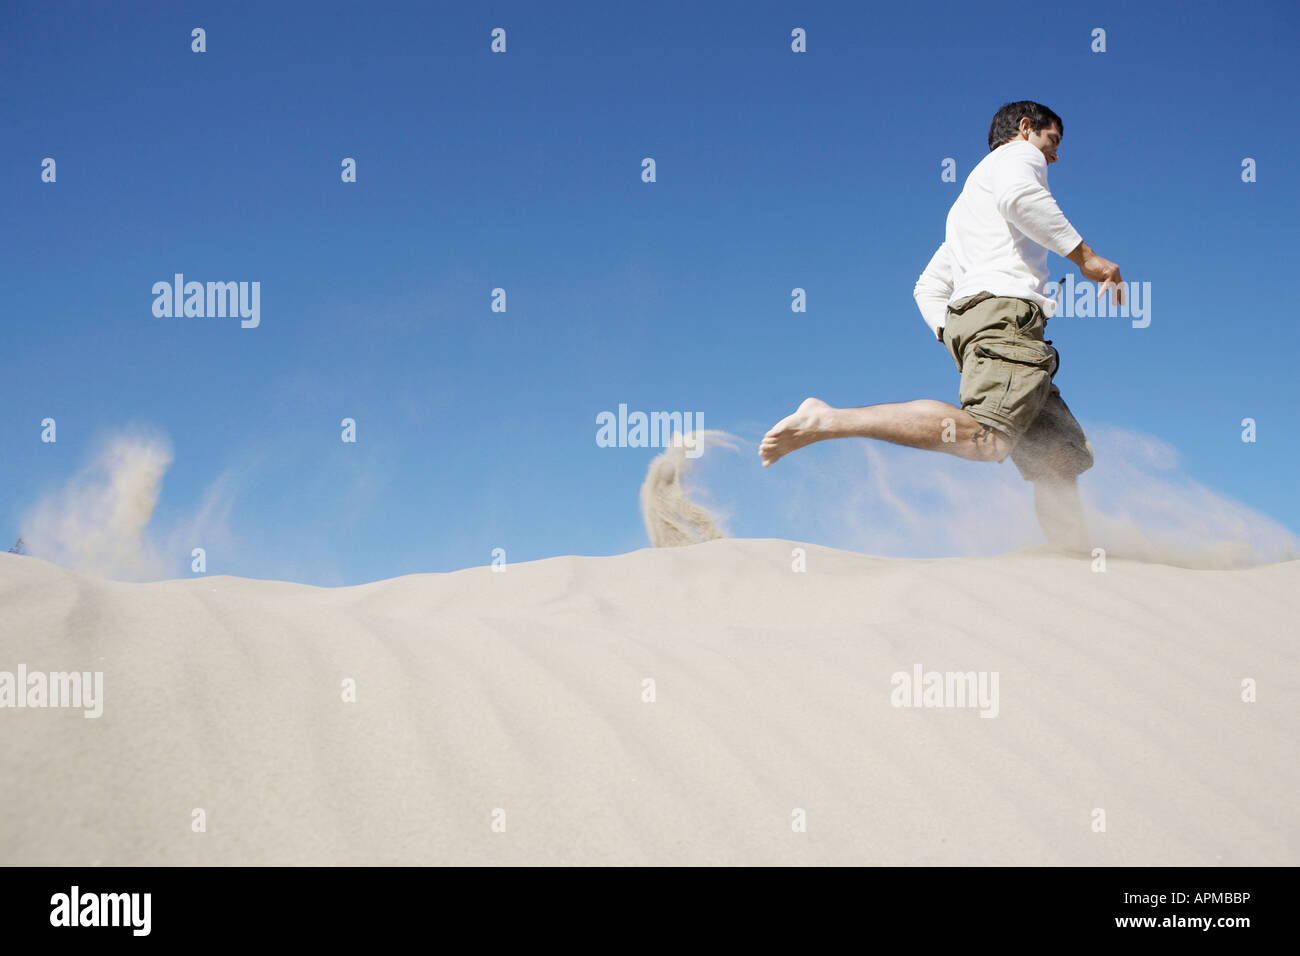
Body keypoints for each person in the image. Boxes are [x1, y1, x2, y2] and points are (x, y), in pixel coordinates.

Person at [758, 101, 1124, 551]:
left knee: (1059, 458)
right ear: (1026, 128)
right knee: (987, 439)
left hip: (997, 329)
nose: (1054, 156)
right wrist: (1087, 259)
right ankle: (829, 419)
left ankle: (1075, 561)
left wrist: (954, 334)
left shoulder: (967, 208)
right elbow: (1021, 198)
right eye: (1052, 142)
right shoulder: (1014, 159)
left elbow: (928, 287)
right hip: (1007, 319)